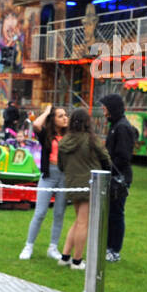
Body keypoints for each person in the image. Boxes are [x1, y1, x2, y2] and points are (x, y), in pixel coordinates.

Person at [56, 107, 111, 270]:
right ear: (88, 122)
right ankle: (77, 261)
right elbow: (106, 158)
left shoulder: (64, 141)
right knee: (83, 223)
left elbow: (60, 166)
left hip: (72, 184)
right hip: (90, 184)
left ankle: (65, 256)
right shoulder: (91, 140)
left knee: (79, 221)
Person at [19, 104, 69, 260]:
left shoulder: (70, 136)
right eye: (60, 116)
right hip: (49, 175)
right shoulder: (46, 134)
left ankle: (53, 247)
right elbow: (36, 125)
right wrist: (47, 112)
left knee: (59, 213)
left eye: (66, 115)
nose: (65, 118)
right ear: (53, 120)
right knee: (40, 213)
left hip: (64, 176)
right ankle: (29, 246)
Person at [99, 93, 136, 262]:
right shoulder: (116, 125)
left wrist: (109, 166)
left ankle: (115, 249)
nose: (103, 111)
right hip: (112, 175)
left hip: (118, 178)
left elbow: (123, 156)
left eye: (105, 108)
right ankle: (107, 246)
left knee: (116, 213)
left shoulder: (122, 127)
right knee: (110, 213)